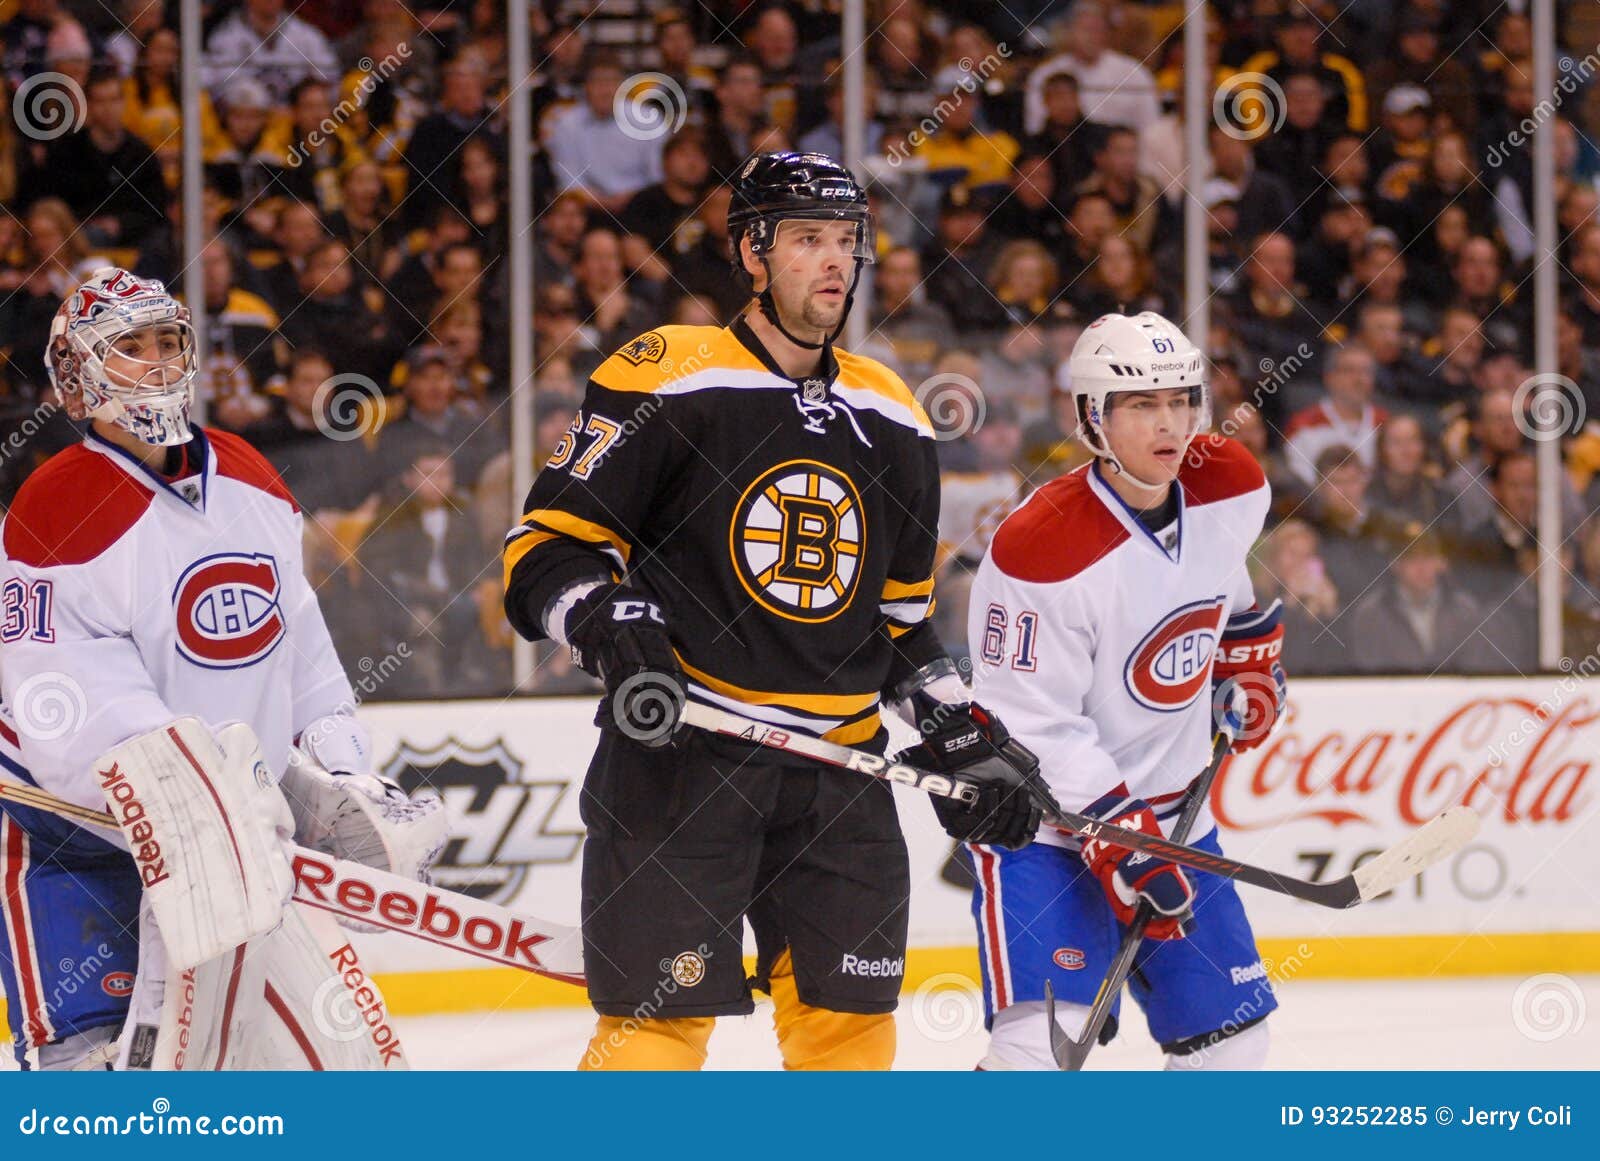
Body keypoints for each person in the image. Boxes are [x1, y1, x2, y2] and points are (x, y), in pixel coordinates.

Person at [502, 152, 1052, 1071]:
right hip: (683, 759)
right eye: (806, 239)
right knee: (655, 1037)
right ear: (752, 252)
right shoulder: (669, 373)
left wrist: (957, 727)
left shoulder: (894, 411)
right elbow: (544, 551)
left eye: (846, 240)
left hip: (840, 775)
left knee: (850, 1041)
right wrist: (608, 620)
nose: (834, 261)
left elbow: (899, 624)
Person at [0, 269, 443, 1070]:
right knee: (95, 1082)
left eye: (167, 340)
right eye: (129, 347)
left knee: (344, 1070)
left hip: (233, 850)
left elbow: (303, 655)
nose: (158, 361)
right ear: (77, 375)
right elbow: (70, 717)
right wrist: (215, 799)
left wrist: (341, 776)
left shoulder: (249, 473)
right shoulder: (56, 506)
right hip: (72, 844)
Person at [964, 311, 1287, 1070]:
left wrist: (1245, 667)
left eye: (1181, 400)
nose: (1170, 424)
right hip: (1048, 831)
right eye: (1142, 405)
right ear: (1091, 417)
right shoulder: (1039, 547)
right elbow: (1027, 723)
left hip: (1175, 822)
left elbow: (1227, 594)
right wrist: (1117, 835)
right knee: (1037, 1055)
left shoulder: (1229, 484)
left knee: (1233, 1049)